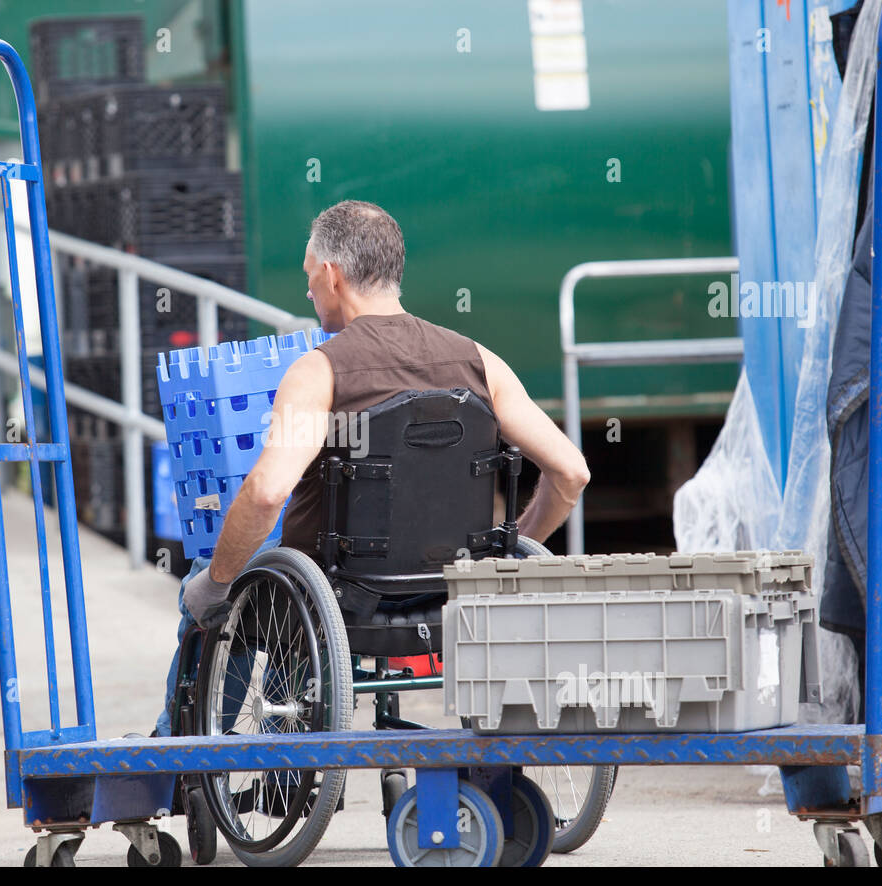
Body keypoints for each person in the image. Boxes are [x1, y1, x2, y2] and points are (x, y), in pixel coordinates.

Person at [152, 199, 589, 737]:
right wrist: (506, 551)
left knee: (209, 583)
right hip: (451, 592)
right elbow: (571, 472)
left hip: (335, 600)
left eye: (310, 277)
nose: (308, 292)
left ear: (333, 276)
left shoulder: (318, 372)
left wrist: (217, 584)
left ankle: (190, 758)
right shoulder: (479, 360)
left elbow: (266, 493)